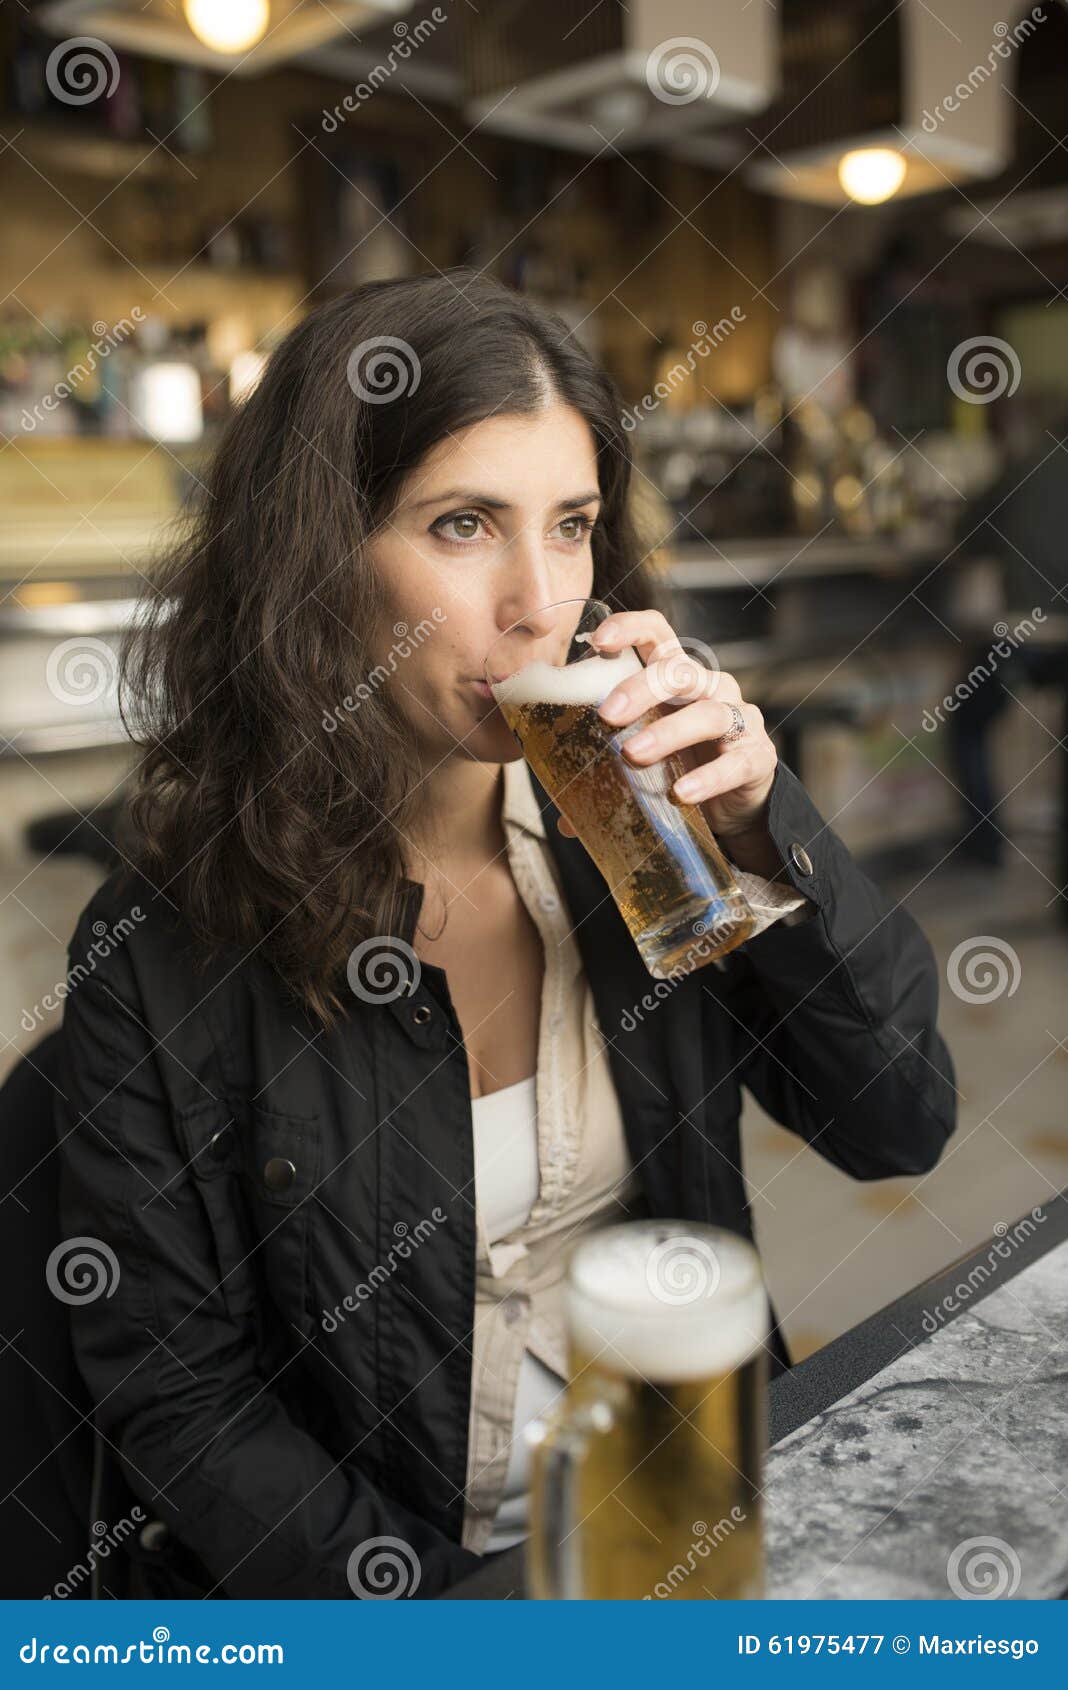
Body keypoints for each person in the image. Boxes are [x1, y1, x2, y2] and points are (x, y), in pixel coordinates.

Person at [54, 270, 957, 1600]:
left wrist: (769, 833)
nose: (541, 600)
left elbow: (900, 1123)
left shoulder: (634, 834)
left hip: (682, 1525)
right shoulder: (159, 942)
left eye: (573, 526)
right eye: (464, 523)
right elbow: (184, 1403)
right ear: (316, 557)